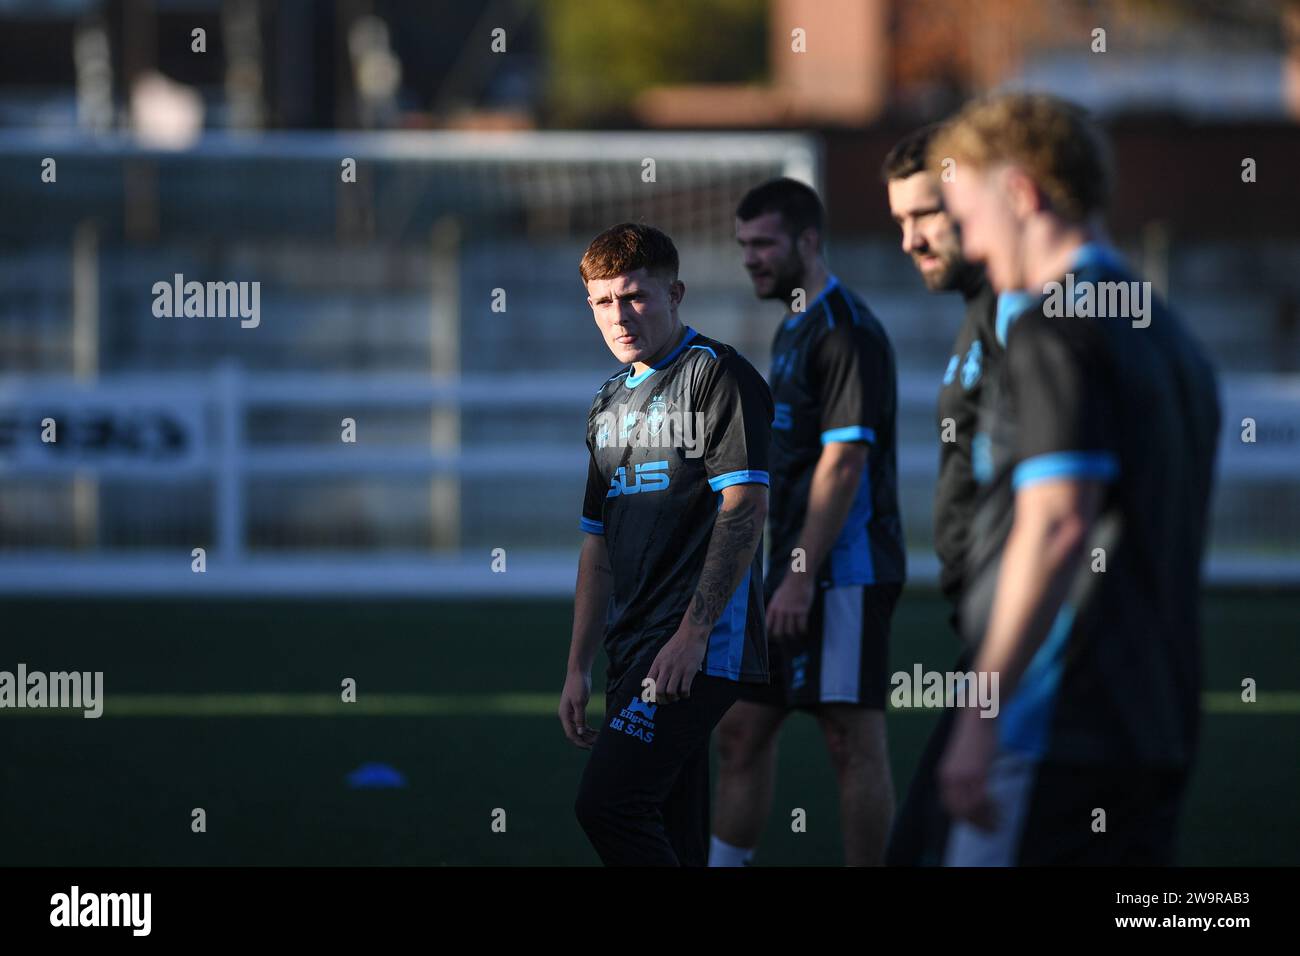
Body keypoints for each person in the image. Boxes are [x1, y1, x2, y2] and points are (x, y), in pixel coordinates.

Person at [930, 93, 1220, 864]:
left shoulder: (1056, 327)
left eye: (969, 218)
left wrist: (979, 714)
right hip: (1158, 724)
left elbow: (1058, 526)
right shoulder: (1173, 336)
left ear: (1021, 193)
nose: (970, 246)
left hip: (1057, 724)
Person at [560, 222, 773, 866]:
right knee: (673, 829)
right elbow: (597, 546)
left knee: (609, 804)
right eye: (602, 301)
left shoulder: (718, 375)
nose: (619, 316)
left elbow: (744, 508)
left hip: (692, 649)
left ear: (674, 293)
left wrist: (692, 636)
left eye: (635, 296)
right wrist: (578, 666)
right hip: (632, 650)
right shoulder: (606, 403)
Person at [711, 178, 905, 867]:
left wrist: (798, 576)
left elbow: (843, 463)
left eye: (764, 243)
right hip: (789, 570)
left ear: (809, 241)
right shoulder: (794, 324)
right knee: (739, 732)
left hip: (843, 573)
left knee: (850, 743)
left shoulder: (846, 330)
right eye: (744, 245)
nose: (751, 258)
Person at [879, 124, 1001, 866]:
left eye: (925, 213)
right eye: (900, 221)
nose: (910, 240)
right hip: (988, 641)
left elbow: (1060, 514)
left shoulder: (1034, 315)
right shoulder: (982, 316)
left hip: (1025, 651)